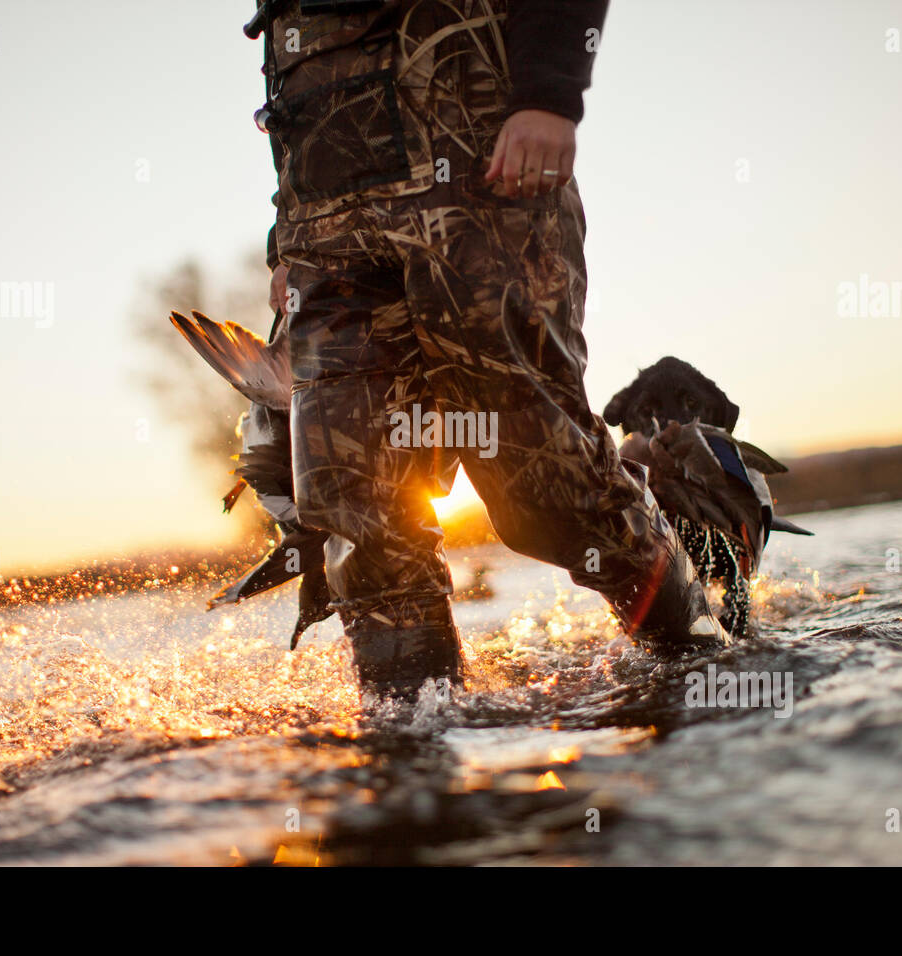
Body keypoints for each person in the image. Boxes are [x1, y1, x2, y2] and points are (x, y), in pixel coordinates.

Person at [250, 0, 728, 699]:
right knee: (355, 503)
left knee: (549, 489)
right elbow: (288, 58)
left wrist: (548, 98)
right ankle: (412, 745)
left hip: (481, 175)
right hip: (327, 231)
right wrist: (286, 235)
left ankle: (705, 666)